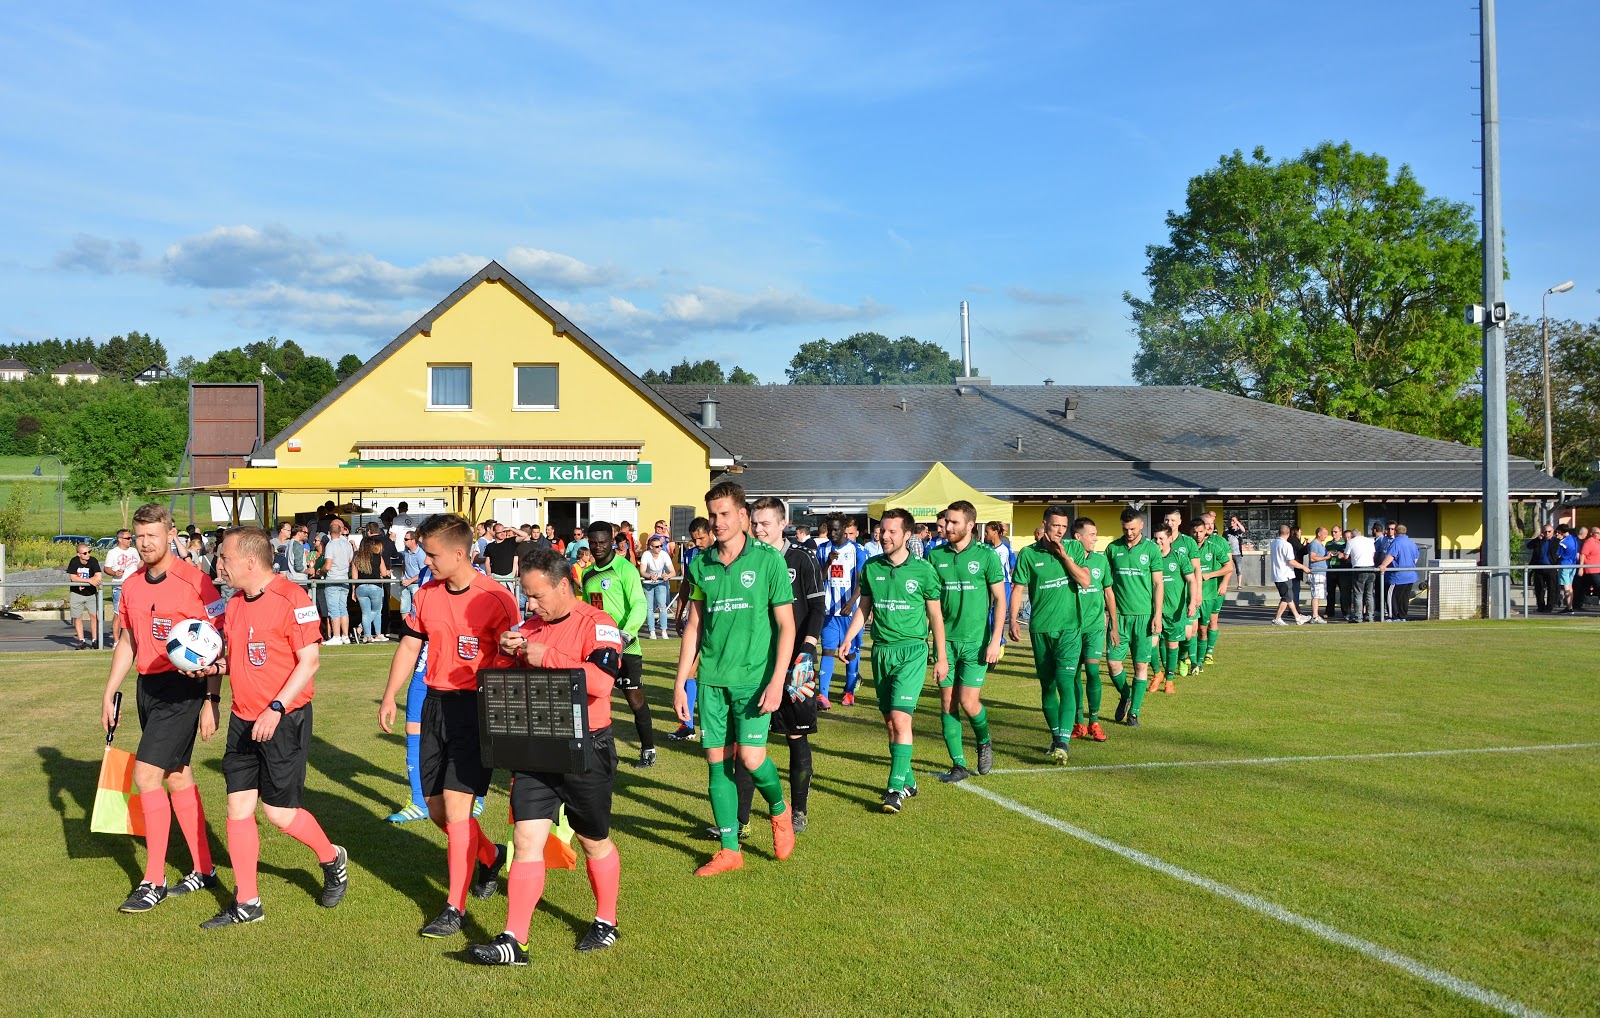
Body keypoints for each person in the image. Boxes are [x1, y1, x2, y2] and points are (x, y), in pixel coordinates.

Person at [468, 548, 627, 963]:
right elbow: (498, 678)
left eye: (537, 596)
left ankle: (606, 921)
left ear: (562, 585)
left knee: (594, 841)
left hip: (586, 746)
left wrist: (548, 658)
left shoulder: (600, 625)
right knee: (525, 839)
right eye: (526, 595)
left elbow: (602, 683)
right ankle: (514, 940)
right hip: (535, 744)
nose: (530, 604)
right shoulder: (528, 627)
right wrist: (505, 652)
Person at [198, 528, 347, 929]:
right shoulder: (235, 605)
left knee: (279, 813)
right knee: (237, 808)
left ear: (249, 560)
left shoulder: (291, 598)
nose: (220, 564)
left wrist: (276, 708)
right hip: (242, 718)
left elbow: (309, 661)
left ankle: (332, 858)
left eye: (225, 557)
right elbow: (241, 660)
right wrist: (210, 679)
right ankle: (248, 901)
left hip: (283, 719)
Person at [379, 514, 518, 940]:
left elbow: (513, 658)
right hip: (436, 705)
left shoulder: (497, 598)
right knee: (437, 810)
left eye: (433, 554)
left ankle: (453, 907)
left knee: (458, 811)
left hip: (478, 709)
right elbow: (409, 644)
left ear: (461, 553)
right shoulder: (426, 595)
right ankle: (491, 856)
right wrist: (391, 694)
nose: (427, 560)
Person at [99, 502, 227, 912]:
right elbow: (128, 641)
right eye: (139, 537)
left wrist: (211, 700)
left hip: (183, 690)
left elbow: (215, 644)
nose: (145, 544)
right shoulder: (132, 583)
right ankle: (205, 869)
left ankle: (153, 880)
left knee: (146, 774)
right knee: (176, 776)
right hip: (147, 688)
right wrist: (110, 691)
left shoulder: (197, 582)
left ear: (171, 535)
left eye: (153, 536)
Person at [673, 482, 797, 875]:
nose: (717, 522)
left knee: (751, 757)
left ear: (743, 516)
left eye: (725, 514)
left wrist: (778, 680)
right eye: (713, 515)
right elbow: (693, 626)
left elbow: (786, 626)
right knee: (716, 763)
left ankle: (779, 809)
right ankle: (730, 850)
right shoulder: (701, 563)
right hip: (711, 679)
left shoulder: (768, 562)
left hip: (755, 678)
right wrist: (681, 683)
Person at [841, 508, 946, 812]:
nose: (884, 536)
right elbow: (864, 607)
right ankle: (909, 779)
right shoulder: (872, 567)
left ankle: (894, 789)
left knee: (901, 719)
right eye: (882, 531)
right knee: (890, 723)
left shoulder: (924, 571)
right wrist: (849, 637)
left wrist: (941, 658)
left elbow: (936, 617)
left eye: (891, 532)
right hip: (881, 651)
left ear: (907, 535)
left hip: (912, 651)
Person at [732, 498, 825, 833]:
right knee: (747, 743)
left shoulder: (802, 559)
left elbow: (817, 609)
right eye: (754, 523)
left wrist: (808, 650)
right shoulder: (748, 559)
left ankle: (798, 810)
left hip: (795, 663)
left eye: (765, 524)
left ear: (782, 522)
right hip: (755, 664)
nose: (758, 530)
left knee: (795, 737)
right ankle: (740, 818)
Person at [926, 500, 1003, 782]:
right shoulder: (935, 557)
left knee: (969, 703)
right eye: (946, 521)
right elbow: (928, 601)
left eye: (954, 522)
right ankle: (958, 764)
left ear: (971, 525)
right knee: (948, 702)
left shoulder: (986, 556)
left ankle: (984, 741)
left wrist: (995, 640)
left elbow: (1001, 600)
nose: (947, 526)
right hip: (945, 641)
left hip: (976, 642)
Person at [1008, 505, 1090, 760]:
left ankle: (1064, 742)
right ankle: (1056, 736)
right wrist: (1012, 621)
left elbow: (1085, 580)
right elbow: (1018, 588)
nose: (1060, 531)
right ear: (1044, 525)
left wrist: (1064, 556)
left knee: (1066, 682)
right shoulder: (1028, 554)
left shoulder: (1074, 548)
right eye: (1056, 526)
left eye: (1064, 527)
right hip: (1040, 628)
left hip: (1070, 628)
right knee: (1047, 685)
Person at [579, 521, 655, 767]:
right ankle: (594, 751)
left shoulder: (625, 569)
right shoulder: (588, 574)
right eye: (593, 543)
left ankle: (648, 749)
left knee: (634, 700)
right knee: (594, 700)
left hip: (627, 648)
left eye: (603, 542)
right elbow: (590, 610)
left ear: (612, 541)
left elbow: (639, 604)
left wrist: (626, 634)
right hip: (599, 650)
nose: (598, 547)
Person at [1104, 507, 1165, 726]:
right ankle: (1125, 694)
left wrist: (1157, 615)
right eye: (1124, 528)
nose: (1128, 532)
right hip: (1119, 617)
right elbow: (1106, 583)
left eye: (1132, 528)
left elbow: (1158, 584)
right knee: (1113, 663)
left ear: (1141, 525)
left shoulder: (1151, 550)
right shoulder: (1112, 549)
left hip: (1144, 617)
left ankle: (1135, 713)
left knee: (1141, 666)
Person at [1068, 517, 1116, 742]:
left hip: (1095, 627)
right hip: (1071, 628)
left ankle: (1094, 721)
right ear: (1078, 537)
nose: (1096, 538)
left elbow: (1108, 592)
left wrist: (1114, 625)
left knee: (1093, 672)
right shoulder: (1066, 560)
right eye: (1092, 534)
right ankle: (1079, 722)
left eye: (1096, 534)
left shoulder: (1101, 560)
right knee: (1075, 674)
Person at [669, 517, 714, 741]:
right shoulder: (691, 555)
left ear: (711, 533)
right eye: (694, 539)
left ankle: (711, 725)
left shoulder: (720, 553)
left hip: (717, 621)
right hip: (696, 619)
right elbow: (686, 583)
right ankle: (687, 724)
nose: (697, 543)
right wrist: (679, 614)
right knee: (689, 671)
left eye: (701, 538)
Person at [815, 513, 863, 709]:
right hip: (829, 611)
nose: (832, 534)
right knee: (827, 650)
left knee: (850, 653)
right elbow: (818, 579)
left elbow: (861, 580)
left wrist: (852, 602)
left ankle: (849, 692)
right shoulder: (822, 549)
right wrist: (827, 562)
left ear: (844, 529)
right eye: (830, 529)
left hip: (850, 612)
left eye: (836, 530)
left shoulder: (857, 550)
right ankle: (823, 696)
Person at [1152, 528, 1199, 697]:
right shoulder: (1151, 557)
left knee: (1172, 645)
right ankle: (1157, 673)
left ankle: (1169, 680)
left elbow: (1192, 580)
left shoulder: (1179, 558)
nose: (1158, 542)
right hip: (1153, 610)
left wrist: (1192, 602)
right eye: (1156, 538)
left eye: (1161, 538)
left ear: (1170, 539)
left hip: (1174, 611)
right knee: (1151, 644)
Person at [1161, 510, 1202, 675]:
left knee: (1189, 633)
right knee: (1164, 635)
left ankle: (1182, 657)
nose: (1169, 522)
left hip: (1186, 596)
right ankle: (1165, 671)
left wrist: (1197, 593)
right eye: (1166, 519)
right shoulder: (1158, 541)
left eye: (1172, 520)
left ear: (1179, 522)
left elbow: (1196, 569)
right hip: (1166, 599)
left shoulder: (1188, 542)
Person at [1197, 513, 1234, 666]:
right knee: (1196, 625)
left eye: (1212, 523)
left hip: (1215, 589)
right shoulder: (1193, 542)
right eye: (1207, 523)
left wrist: (1224, 583)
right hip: (1197, 589)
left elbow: (1229, 566)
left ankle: (1209, 653)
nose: (1210, 526)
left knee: (1212, 621)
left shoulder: (1220, 542)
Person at [104, 528, 141, 646]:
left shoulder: (134, 551)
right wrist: (115, 573)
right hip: (120, 586)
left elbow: (138, 565)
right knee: (118, 614)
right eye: (128, 538)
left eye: (131, 538)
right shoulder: (113, 553)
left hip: (135, 587)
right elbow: (107, 568)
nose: (130, 540)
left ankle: (135, 639)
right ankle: (116, 641)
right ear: (120, 539)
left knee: (135, 613)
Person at [352, 533, 391, 643]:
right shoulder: (378, 556)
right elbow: (383, 573)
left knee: (365, 612)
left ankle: (367, 636)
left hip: (360, 587)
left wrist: (353, 591)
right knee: (376, 610)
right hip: (375, 586)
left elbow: (354, 577)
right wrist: (388, 572)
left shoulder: (357, 557)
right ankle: (360, 629)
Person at [322, 519, 355, 645]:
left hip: (333, 579)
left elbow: (328, 565)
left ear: (330, 532)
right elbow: (350, 561)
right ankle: (345, 636)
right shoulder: (347, 544)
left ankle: (336, 636)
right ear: (341, 531)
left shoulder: (330, 545)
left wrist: (320, 570)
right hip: (344, 578)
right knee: (343, 608)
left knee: (334, 609)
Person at [1379, 524, 1422, 622]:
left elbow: (1391, 556)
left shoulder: (1396, 542)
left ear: (1396, 532)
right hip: (1410, 575)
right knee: (1404, 597)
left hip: (1397, 576)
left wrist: (1383, 565)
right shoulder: (1412, 543)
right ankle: (1402, 616)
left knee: (1392, 597)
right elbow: (1416, 558)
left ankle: (1392, 617)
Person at [66, 540, 104, 649]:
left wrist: (86, 581)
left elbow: (98, 577)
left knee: (94, 616)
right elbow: (73, 578)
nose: (88, 555)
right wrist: (88, 581)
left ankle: (94, 640)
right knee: (78, 617)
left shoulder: (93, 561)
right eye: (85, 553)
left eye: (89, 552)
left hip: (91, 594)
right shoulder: (74, 561)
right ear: (79, 554)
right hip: (76, 593)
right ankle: (81, 641)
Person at [1270, 525, 1309, 625]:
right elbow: (1291, 561)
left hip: (1277, 574)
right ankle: (1277, 618)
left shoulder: (1274, 543)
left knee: (1289, 597)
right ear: (1288, 534)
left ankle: (1298, 617)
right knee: (1286, 598)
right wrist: (1303, 567)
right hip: (1284, 574)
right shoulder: (1286, 545)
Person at [639, 534, 675, 638]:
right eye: (657, 546)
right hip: (648, 583)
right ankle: (652, 632)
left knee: (662, 606)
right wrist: (649, 576)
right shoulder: (646, 554)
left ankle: (664, 631)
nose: (659, 548)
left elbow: (672, 572)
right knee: (649, 608)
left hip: (661, 583)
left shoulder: (664, 554)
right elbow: (642, 571)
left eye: (660, 546)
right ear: (651, 547)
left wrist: (667, 576)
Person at [1345, 527, 1377, 622]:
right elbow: (1372, 554)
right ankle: (1370, 616)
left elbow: (1346, 555)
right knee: (1369, 594)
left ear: (1352, 535)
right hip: (1371, 567)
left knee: (1358, 594)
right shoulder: (1369, 541)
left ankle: (1358, 616)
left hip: (1359, 568)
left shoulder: (1351, 542)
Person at [1526, 523, 1557, 613]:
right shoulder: (1539, 541)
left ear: (1553, 531)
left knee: (1552, 588)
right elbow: (1529, 546)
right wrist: (1537, 539)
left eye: (1549, 531)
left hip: (1551, 567)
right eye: (1545, 531)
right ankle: (1541, 606)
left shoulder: (1556, 541)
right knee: (1539, 588)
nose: (1547, 533)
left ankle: (1549, 607)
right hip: (1539, 567)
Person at [1306, 527, 1332, 623]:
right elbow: (1312, 558)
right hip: (1316, 572)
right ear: (1319, 534)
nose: (1326, 536)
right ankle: (1315, 616)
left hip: (1321, 572)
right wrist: (1326, 557)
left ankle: (1315, 615)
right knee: (1316, 594)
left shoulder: (1320, 544)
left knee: (1318, 594)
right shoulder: (1315, 544)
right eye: (1325, 534)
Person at [1554, 523, 1580, 614]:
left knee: (1566, 586)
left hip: (1565, 564)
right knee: (1570, 586)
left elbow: (1558, 554)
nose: (1557, 534)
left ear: (1561, 532)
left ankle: (1569, 607)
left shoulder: (1563, 542)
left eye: (1557, 532)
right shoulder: (1574, 539)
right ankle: (1570, 605)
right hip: (1573, 564)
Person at [1324, 526, 1349, 621]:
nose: (1333, 534)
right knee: (1330, 592)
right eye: (1332, 532)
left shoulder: (1344, 543)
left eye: (1335, 532)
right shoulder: (1328, 543)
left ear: (1340, 532)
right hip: (1331, 569)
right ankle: (1329, 611)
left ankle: (1346, 612)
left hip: (1341, 569)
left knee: (1344, 591)